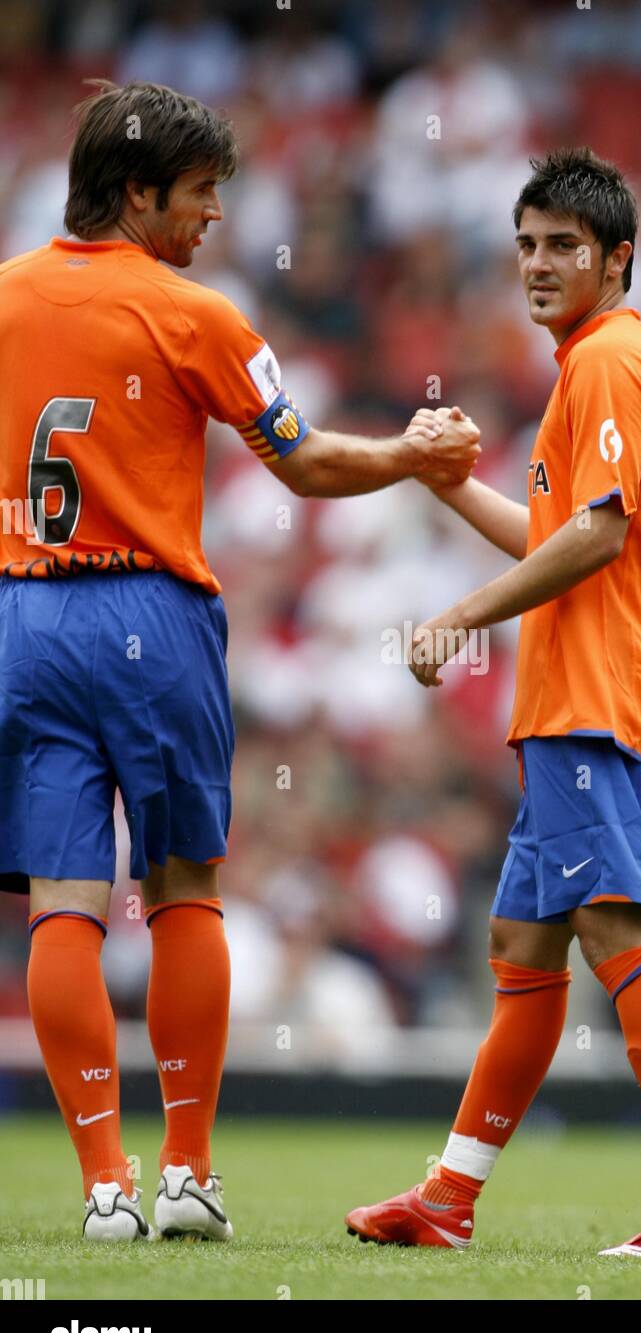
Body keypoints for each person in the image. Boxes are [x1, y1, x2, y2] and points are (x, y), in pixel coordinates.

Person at [0, 79, 480, 1242]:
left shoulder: (5, 297)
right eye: (202, 192)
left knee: (64, 905)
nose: (215, 214)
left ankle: (104, 1186)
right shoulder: (192, 314)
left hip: (24, 616)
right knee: (180, 890)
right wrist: (414, 454)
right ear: (137, 192)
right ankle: (189, 1172)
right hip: (149, 617)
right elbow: (305, 465)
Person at [345, 148, 641, 1257]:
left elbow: (597, 533)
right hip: (579, 700)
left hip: (595, 700)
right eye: (525, 244)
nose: (535, 264)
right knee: (523, 948)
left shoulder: (610, 361)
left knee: (615, 925)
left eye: (562, 246)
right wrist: (448, 487)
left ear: (616, 259)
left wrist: (456, 617)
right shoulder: (595, 361)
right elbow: (558, 531)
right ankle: (448, 1196)